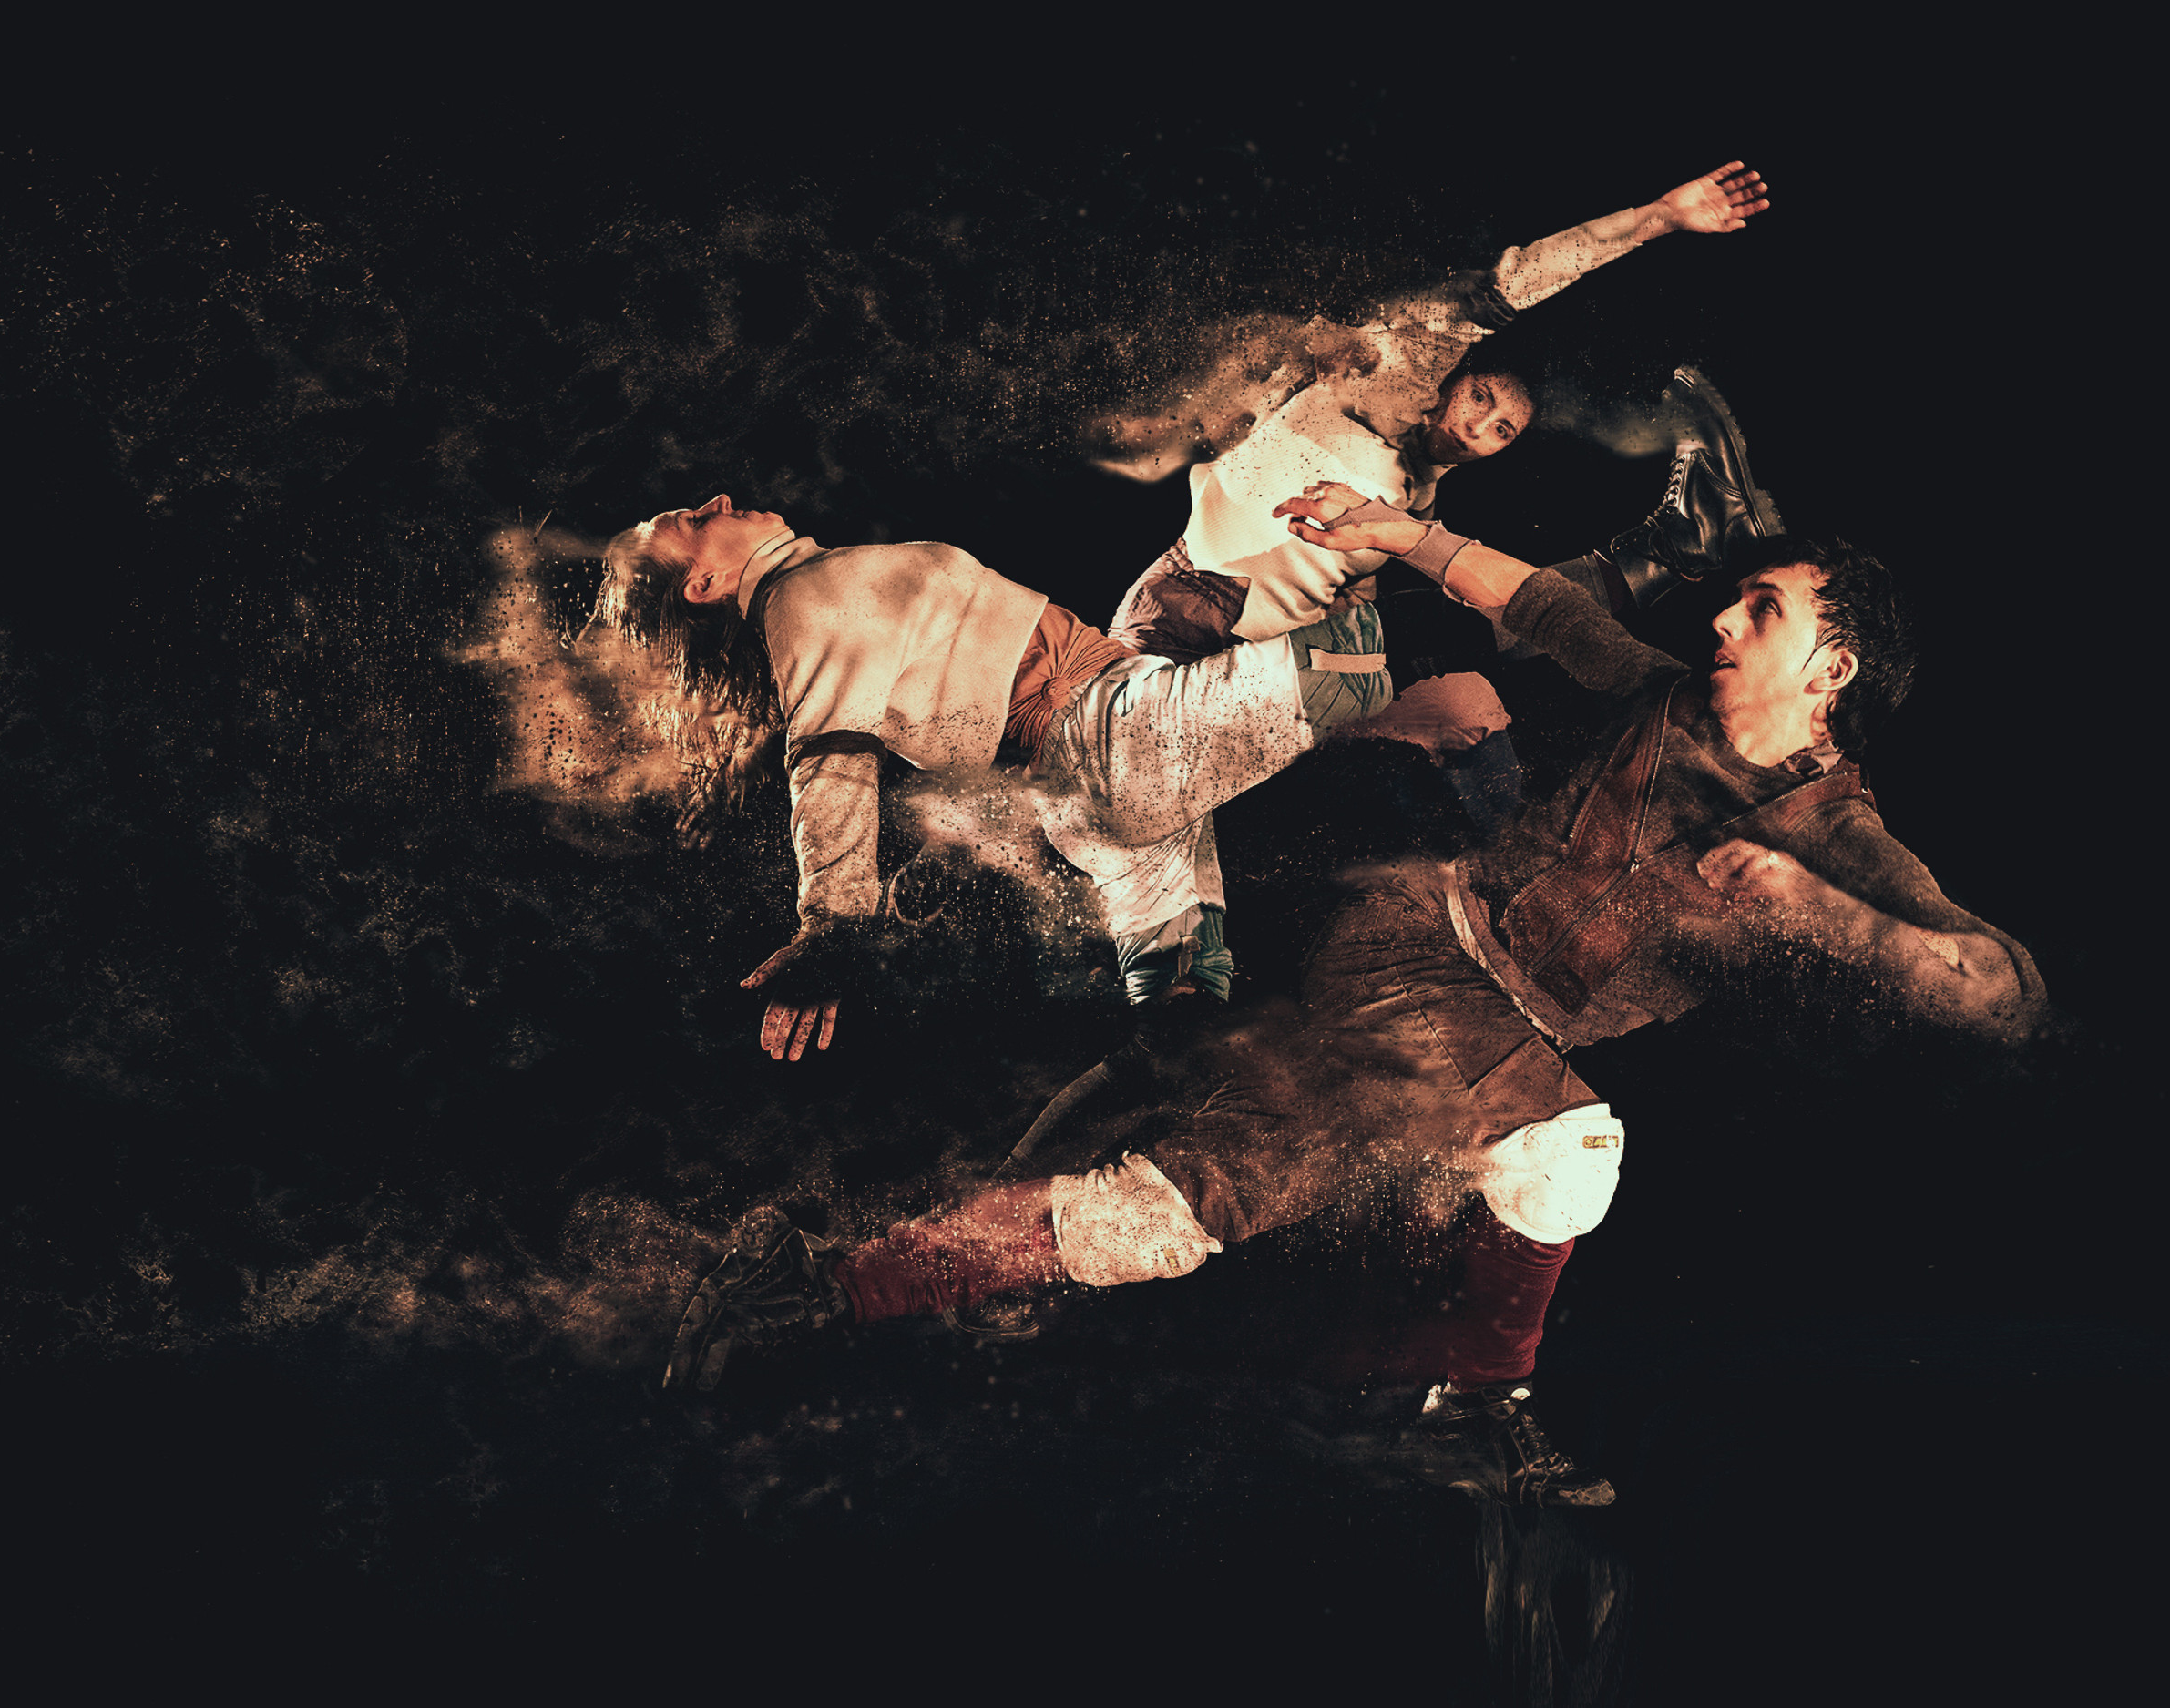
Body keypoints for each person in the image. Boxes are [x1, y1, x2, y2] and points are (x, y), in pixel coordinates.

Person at [662, 503, 2047, 1508]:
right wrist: (1402, 531)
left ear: (1832, 669)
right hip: (1412, 946)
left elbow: (2003, 992)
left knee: (1155, 1221)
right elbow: (1542, 606)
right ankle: (1467, 1402)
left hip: (1471, 1041)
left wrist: (1825, 912)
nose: (1722, 621)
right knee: (1571, 1148)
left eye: (1762, 611)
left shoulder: (1837, 835)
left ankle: (816, 1284)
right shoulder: (1660, 693)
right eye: (1732, 599)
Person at [1096, 163, 1774, 1004]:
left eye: (1502, 431)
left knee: (1467, 705)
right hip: (1182, 623)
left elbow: (1359, 603)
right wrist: (1656, 218)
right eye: (1479, 398)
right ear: (1450, 378)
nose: (1479, 427)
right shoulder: (1372, 387)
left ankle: (1532, 896)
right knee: (1140, 785)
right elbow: (1508, 283)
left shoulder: (1415, 499)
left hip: (1282, 664)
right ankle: (1176, 984)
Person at [597, 498, 1346, 1063]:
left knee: (1183, 1021)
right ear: (704, 584)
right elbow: (828, 760)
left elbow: (925, 732)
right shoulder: (802, 598)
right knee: (1360, 657)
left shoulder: (814, 590)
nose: (720, 500)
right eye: (695, 519)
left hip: (1098, 758)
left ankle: (1166, 1102)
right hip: (1111, 734)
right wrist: (832, 924)